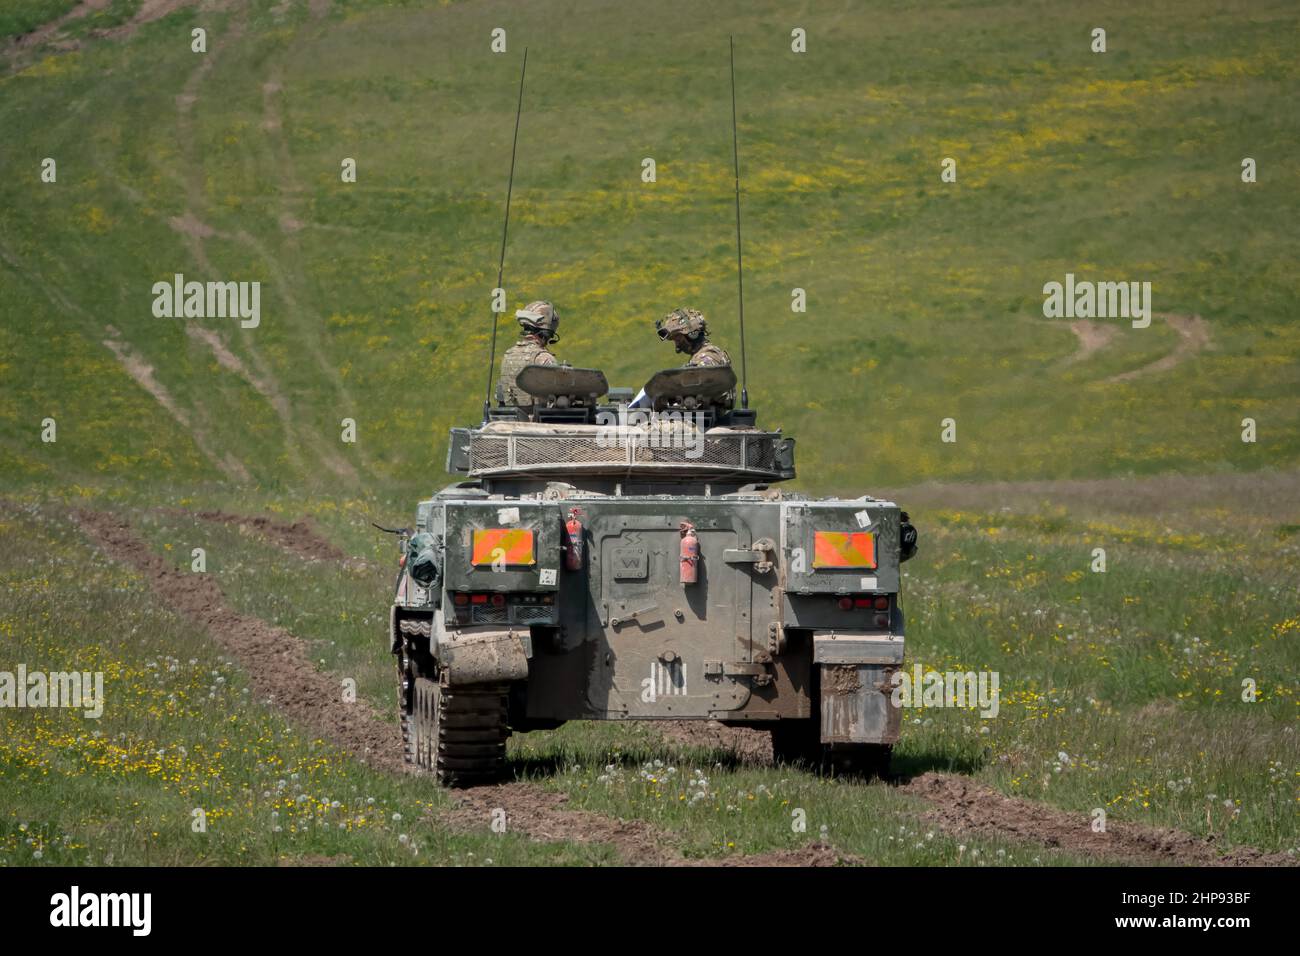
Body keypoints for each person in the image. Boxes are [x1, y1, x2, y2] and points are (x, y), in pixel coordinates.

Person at [497, 300, 559, 408]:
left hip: (511, 422)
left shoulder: (508, 355)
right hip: (536, 423)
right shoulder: (544, 359)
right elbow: (556, 400)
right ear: (547, 331)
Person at [655, 307, 731, 367]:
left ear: (692, 335)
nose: (677, 346)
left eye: (678, 339)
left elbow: (701, 376)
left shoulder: (708, 356)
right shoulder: (699, 356)